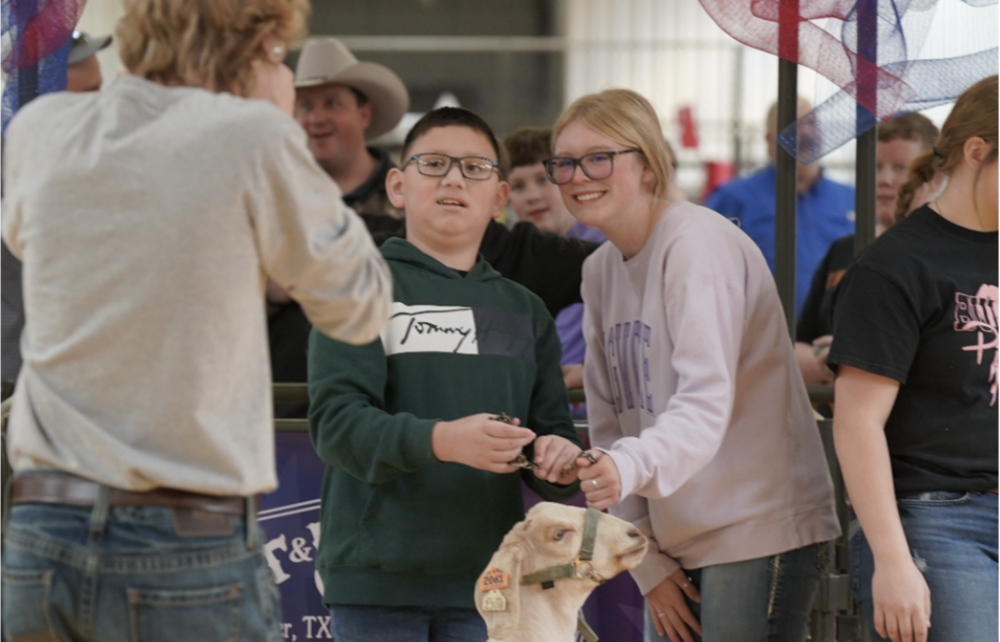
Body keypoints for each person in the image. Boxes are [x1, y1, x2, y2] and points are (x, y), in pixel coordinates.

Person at [0, 1, 393, 640]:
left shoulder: (41, 129)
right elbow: (361, 305)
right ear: (258, 47)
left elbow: (26, 242)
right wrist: (274, 124)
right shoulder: (249, 136)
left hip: (43, 527)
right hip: (183, 538)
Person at [551, 88, 840, 642]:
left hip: (755, 524)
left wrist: (625, 469)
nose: (578, 175)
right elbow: (610, 422)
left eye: (599, 157)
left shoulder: (696, 241)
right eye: (564, 162)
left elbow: (705, 401)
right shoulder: (600, 270)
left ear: (648, 163)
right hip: (673, 536)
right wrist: (643, 555)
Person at [308, 107, 584, 641]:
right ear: (397, 186)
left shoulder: (525, 311)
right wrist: (442, 440)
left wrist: (560, 460)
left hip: (491, 587)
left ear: (500, 199)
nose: (454, 178)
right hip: (377, 587)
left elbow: (551, 441)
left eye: (476, 168)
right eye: (433, 164)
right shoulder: (356, 288)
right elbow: (338, 425)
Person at [828, 75, 998, 642]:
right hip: (935, 520)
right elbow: (857, 422)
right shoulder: (894, 266)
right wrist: (894, 562)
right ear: (978, 151)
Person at [1, 30, 115, 387]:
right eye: (86, 95)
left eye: (101, 91)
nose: (101, 108)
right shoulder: (18, 160)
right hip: (20, 376)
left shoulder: (93, 159)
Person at [796, 113, 940, 386]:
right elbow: (796, 349)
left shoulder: (946, 255)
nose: (885, 179)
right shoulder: (844, 250)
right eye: (876, 166)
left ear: (934, 176)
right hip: (837, 419)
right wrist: (826, 359)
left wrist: (854, 359)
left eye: (900, 167)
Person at [704, 97, 856, 316]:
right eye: (793, 125)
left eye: (812, 123)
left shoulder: (850, 198)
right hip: (763, 342)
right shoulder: (733, 200)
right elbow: (707, 272)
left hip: (838, 337)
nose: (805, 133)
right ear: (768, 139)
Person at [504, 125, 606, 394]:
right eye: (518, 186)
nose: (533, 196)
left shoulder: (605, 247)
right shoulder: (508, 260)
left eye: (542, 179)